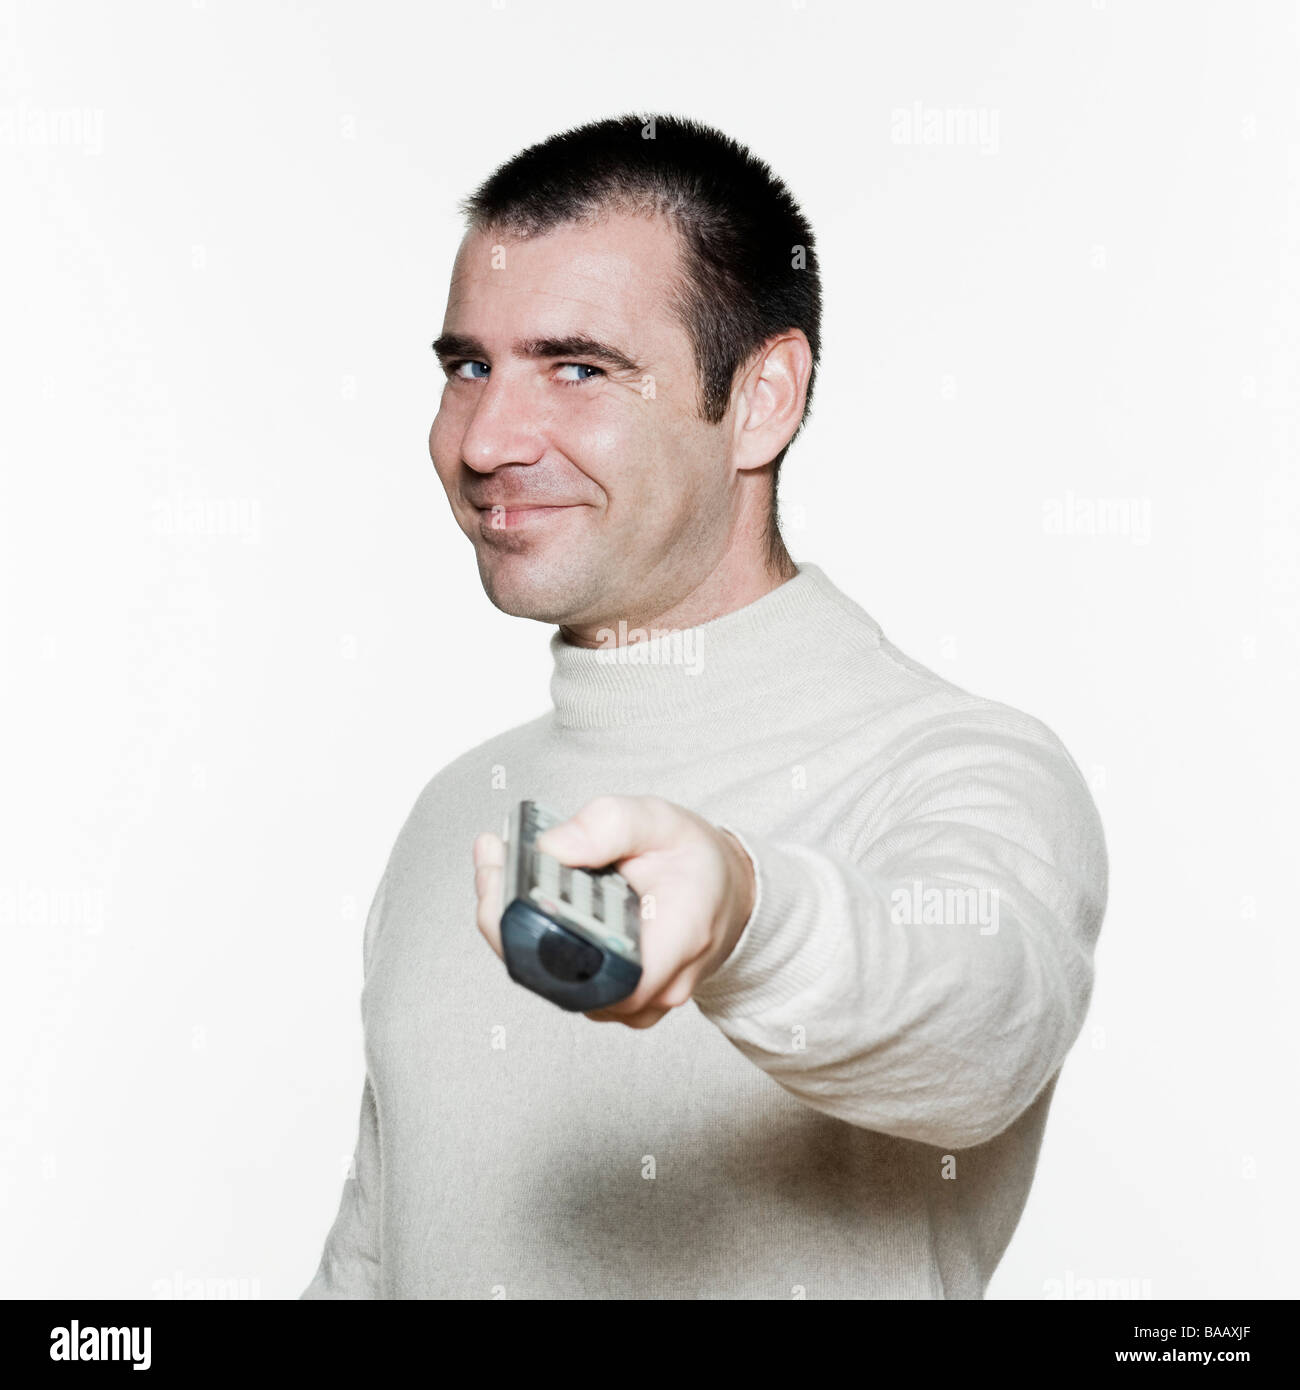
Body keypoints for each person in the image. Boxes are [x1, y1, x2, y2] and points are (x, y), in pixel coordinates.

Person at [301, 112, 1108, 1300]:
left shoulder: (958, 769)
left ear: (763, 399)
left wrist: (744, 912)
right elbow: (376, 1266)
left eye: (577, 367)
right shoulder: (451, 815)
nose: (486, 439)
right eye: (468, 366)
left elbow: (981, 1033)